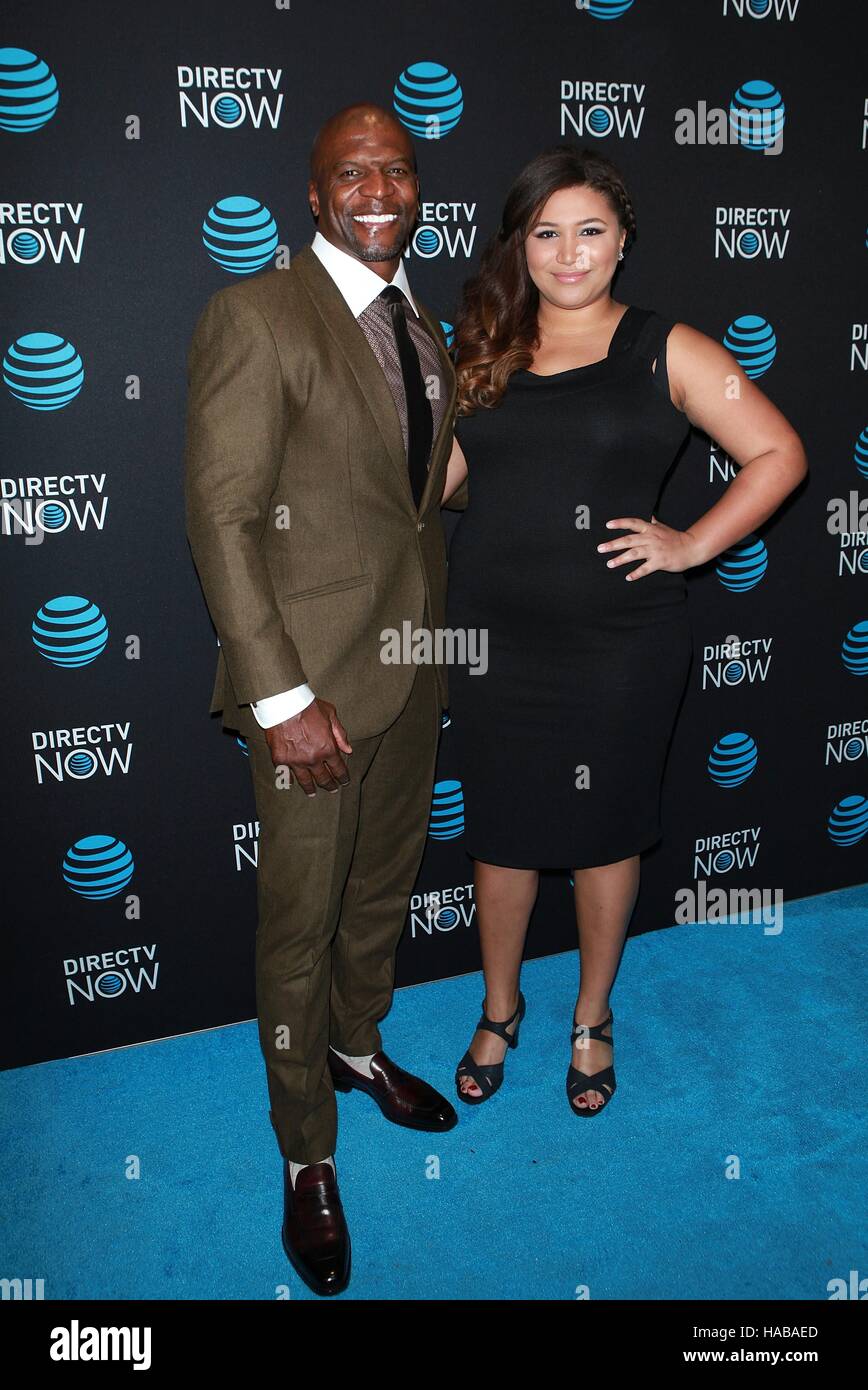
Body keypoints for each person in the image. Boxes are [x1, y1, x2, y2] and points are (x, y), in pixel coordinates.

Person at [441, 145, 807, 1116]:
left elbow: (777, 451)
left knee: (605, 833)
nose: (567, 252)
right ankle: (499, 1006)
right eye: (545, 232)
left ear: (622, 240)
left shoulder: (666, 345)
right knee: (501, 832)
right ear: (520, 244)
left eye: (588, 230)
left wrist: (691, 544)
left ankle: (591, 1016)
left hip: (617, 645)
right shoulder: (485, 350)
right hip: (489, 636)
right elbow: (439, 489)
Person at [184, 103, 467, 1297]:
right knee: (299, 926)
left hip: (411, 660)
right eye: (350, 170)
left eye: (396, 169)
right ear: (313, 194)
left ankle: (358, 1048)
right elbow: (223, 517)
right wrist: (282, 696)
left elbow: (413, 487)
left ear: (417, 187)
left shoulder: (422, 322)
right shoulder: (258, 312)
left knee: (382, 884)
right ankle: (306, 1152)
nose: (376, 187)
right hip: (310, 683)